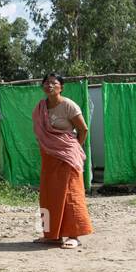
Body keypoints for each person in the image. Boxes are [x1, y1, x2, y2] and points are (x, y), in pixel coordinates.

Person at [34, 72, 93, 248]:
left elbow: (83, 130)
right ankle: (51, 235)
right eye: (46, 83)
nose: (49, 85)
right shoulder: (40, 107)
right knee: (48, 195)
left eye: (54, 83)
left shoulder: (69, 106)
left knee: (70, 195)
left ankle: (74, 235)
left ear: (61, 87)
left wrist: (74, 149)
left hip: (67, 157)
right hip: (49, 156)